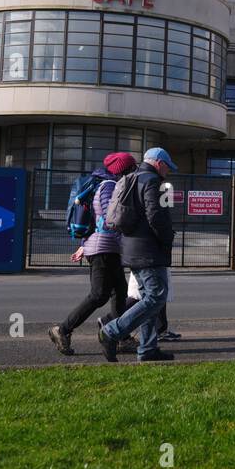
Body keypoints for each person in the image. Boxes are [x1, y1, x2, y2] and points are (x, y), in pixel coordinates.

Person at [48, 152, 137, 356]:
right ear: (123, 170)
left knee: (120, 294)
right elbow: (109, 218)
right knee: (99, 295)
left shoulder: (106, 184)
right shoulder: (109, 186)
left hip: (107, 248)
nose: (133, 172)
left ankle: (119, 336)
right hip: (104, 248)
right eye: (131, 169)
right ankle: (62, 330)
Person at [98, 147, 178, 362]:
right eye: (167, 167)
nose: (168, 171)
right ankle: (112, 331)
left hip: (131, 248)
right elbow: (156, 216)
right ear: (159, 163)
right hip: (149, 250)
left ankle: (148, 349)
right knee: (156, 296)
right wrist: (168, 239)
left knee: (148, 297)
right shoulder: (153, 182)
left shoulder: (130, 178)